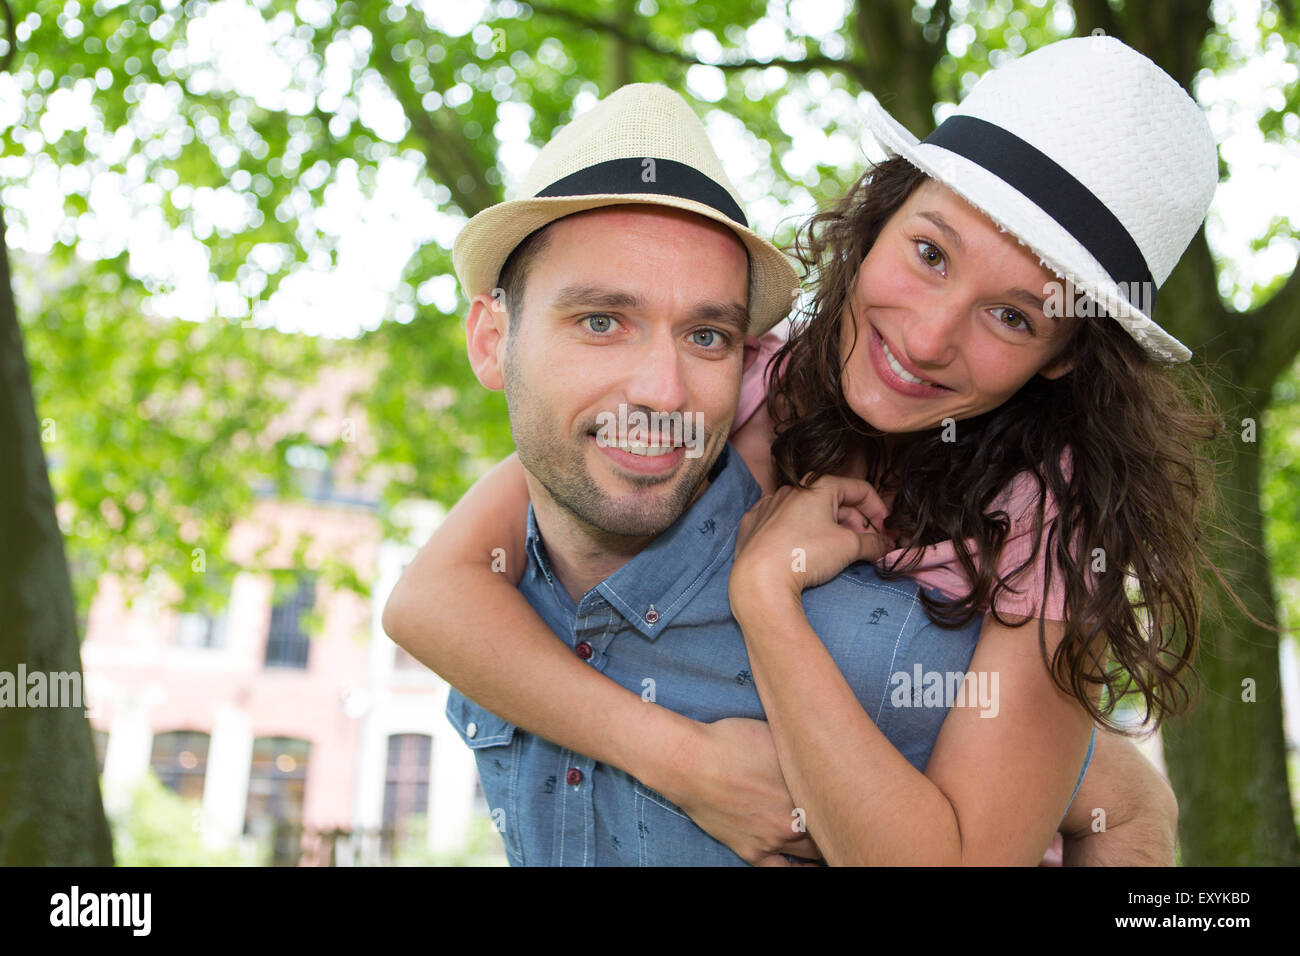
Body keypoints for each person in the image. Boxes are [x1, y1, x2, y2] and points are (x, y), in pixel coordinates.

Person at [386, 48, 1193, 862]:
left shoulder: (1049, 521)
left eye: (1014, 317)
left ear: (1065, 355)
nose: (927, 337)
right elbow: (432, 597)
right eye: (931, 255)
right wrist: (686, 763)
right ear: (877, 223)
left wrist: (765, 595)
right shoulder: (736, 376)